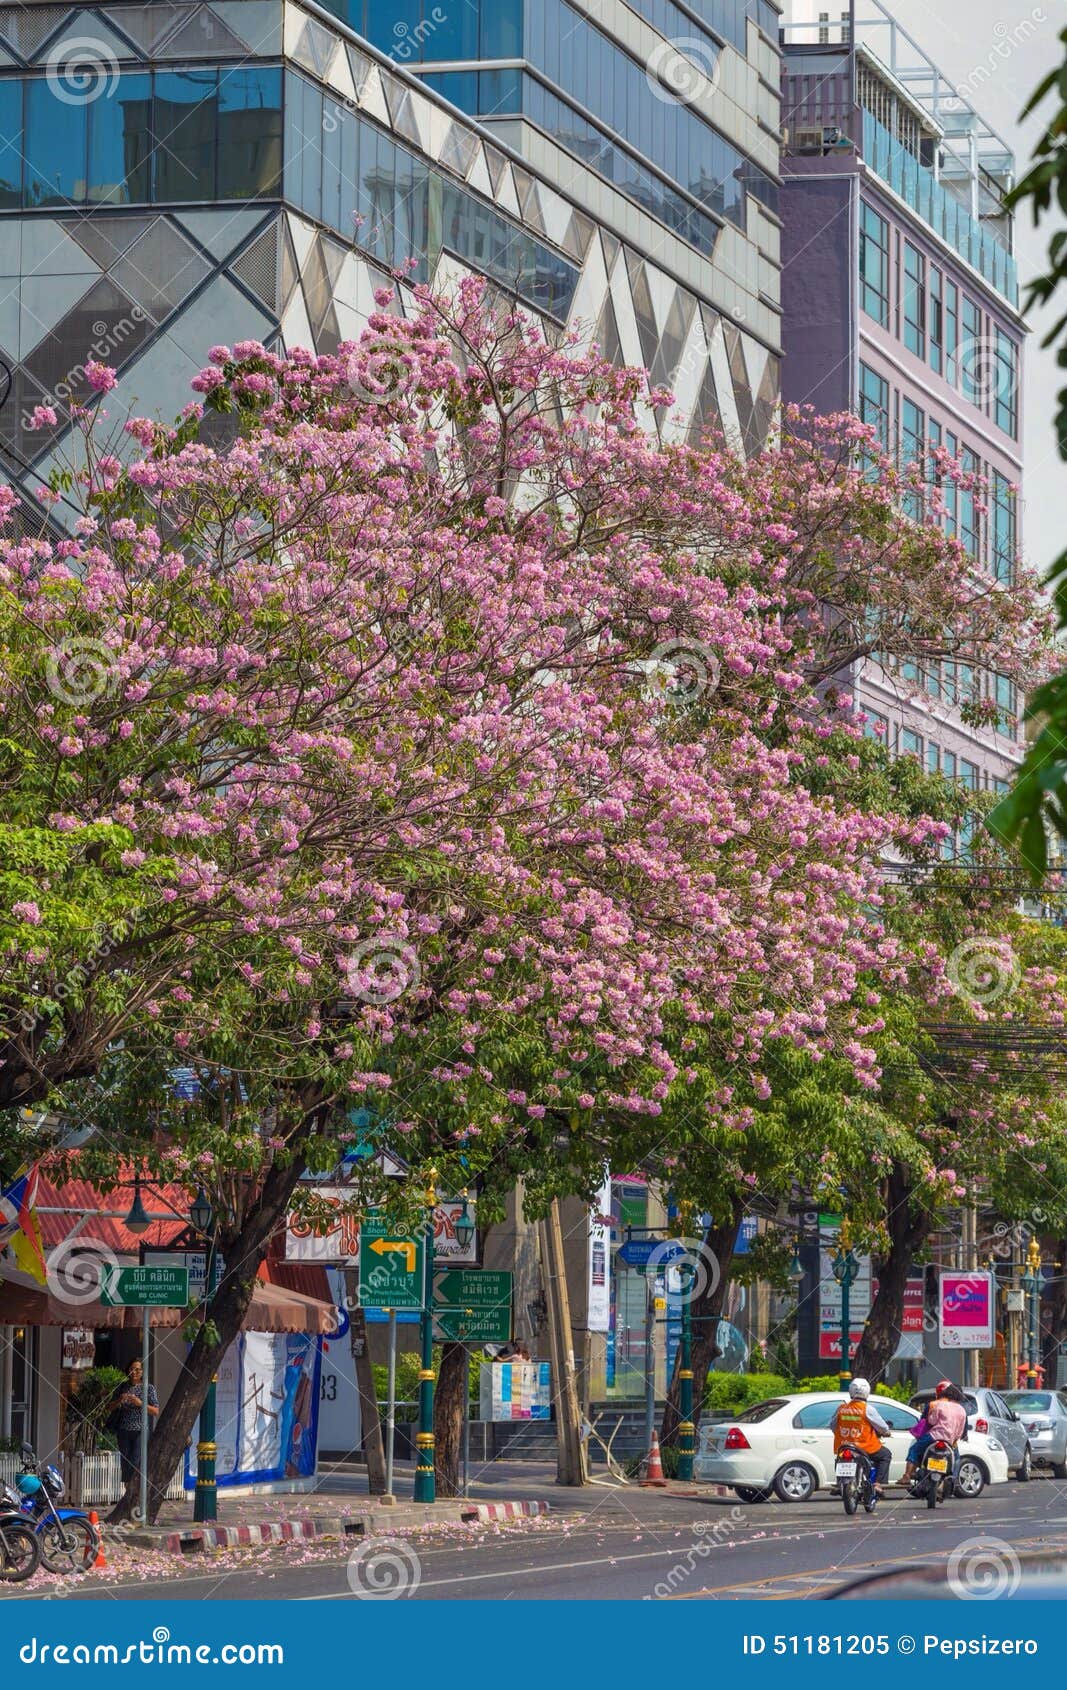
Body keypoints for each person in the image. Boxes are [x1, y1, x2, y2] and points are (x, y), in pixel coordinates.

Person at [831, 1377, 892, 1499]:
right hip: (865, 1448)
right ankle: (877, 1484)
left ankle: (839, 1483)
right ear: (867, 1392)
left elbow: (833, 1426)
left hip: (844, 1446)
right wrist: (886, 1432)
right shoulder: (867, 1409)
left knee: (840, 1458)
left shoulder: (841, 1408)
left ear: (851, 1391)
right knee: (886, 1455)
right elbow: (883, 1428)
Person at [901, 1381, 967, 1485]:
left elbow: (932, 1421)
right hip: (950, 1441)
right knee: (956, 1459)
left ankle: (907, 1476)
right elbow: (960, 1430)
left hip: (933, 1436)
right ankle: (952, 1479)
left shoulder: (939, 1405)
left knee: (914, 1450)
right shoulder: (962, 1410)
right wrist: (954, 1440)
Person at [112, 1358, 159, 1485]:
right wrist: (119, 1401)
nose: (134, 1372)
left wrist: (140, 1403)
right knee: (125, 1461)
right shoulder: (122, 1387)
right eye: (131, 1369)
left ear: (143, 1372)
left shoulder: (148, 1388)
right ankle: (128, 1488)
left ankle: (134, 1488)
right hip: (124, 1430)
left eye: (137, 1369)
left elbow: (155, 1411)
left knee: (135, 1460)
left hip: (141, 1430)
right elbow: (109, 1407)